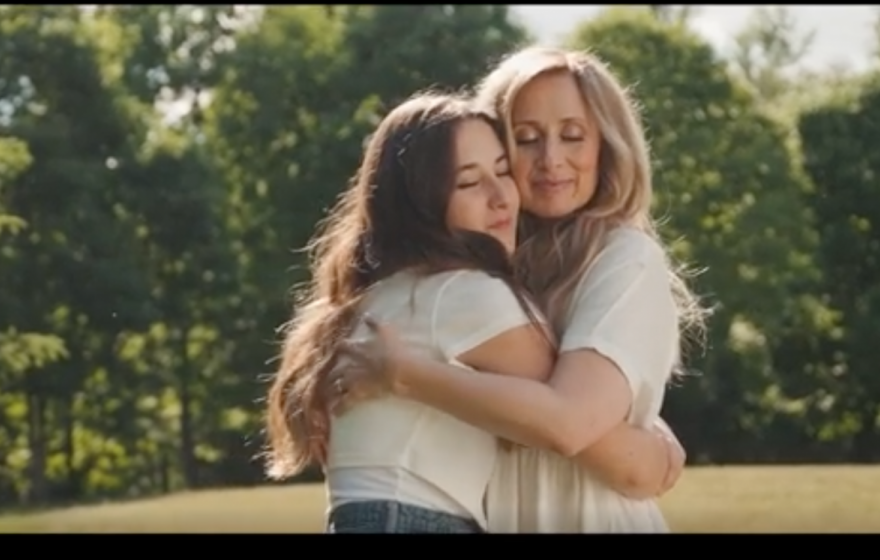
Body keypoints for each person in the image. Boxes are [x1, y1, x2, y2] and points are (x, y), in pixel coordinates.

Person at [261, 90, 685, 534]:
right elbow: (568, 420)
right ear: (423, 203)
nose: (501, 196)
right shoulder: (464, 295)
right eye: (468, 182)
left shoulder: (383, 294)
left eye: (502, 171)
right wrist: (655, 449)